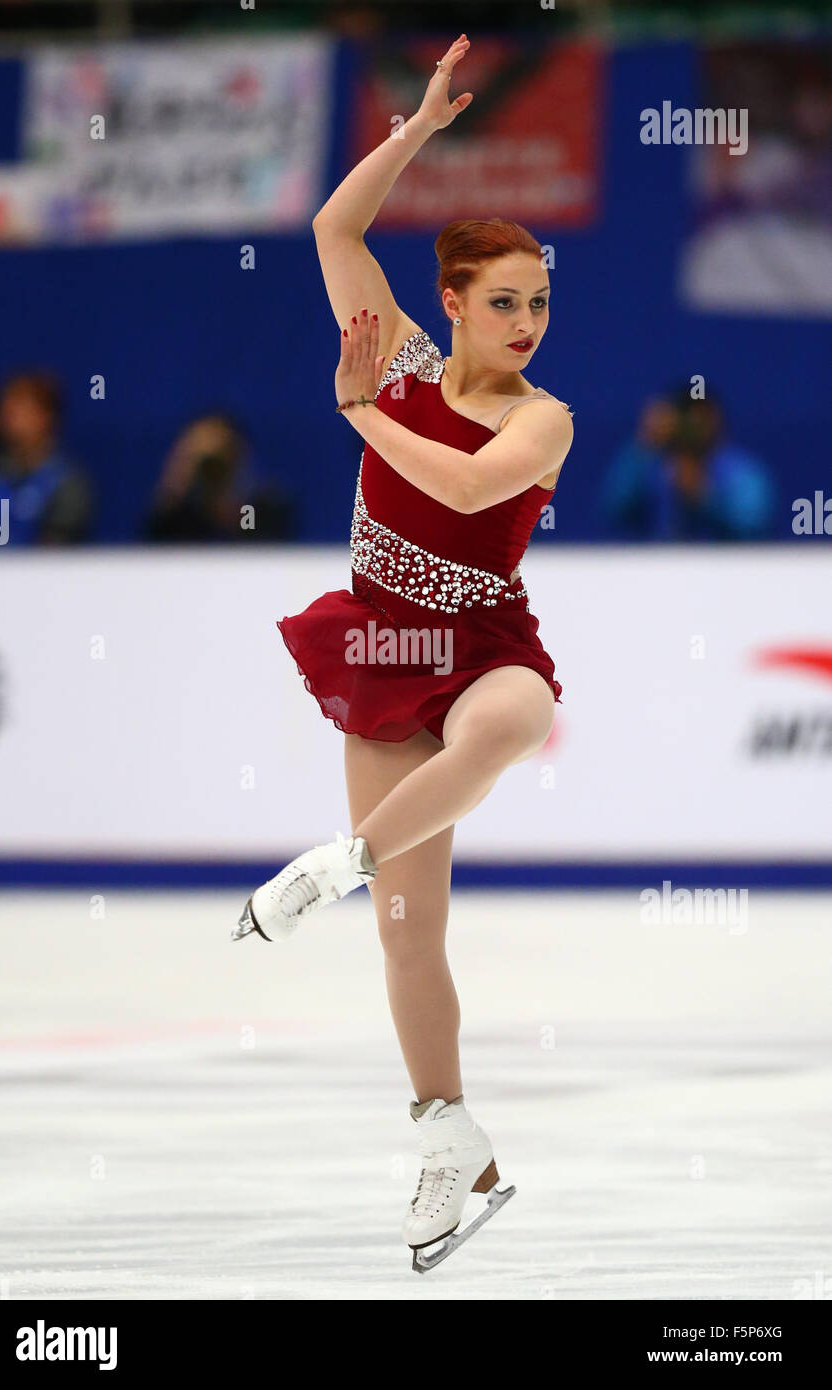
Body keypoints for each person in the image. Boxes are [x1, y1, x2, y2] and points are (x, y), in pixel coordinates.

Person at [231, 34, 574, 1271]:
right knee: (406, 928)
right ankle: (452, 1144)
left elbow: (471, 486)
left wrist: (361, 411)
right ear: (451, 303)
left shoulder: (541, 420)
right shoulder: (407, 363)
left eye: (538, 302)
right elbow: (332, 230)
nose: (525, 322)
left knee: (509, 721)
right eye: (502, 300)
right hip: (384, 638)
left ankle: (330, 862)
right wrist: (422, 127)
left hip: (481, 641)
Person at [601, 388, 775, 540]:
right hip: (661, 568)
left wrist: (702, 494)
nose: (693, 430)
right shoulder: (653, 465)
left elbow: (754, 524)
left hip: (729, 570)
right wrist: (643, 444)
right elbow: (613, 508)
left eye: (701, 421)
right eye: (687, 421)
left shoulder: (742, 471)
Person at [0, 371, 92, 546]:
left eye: (23, 409)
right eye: (7, 409)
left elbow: (57, 553)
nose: (11, 417)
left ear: (47, 416)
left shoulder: (65, 485)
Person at [144, 413, 295, 543]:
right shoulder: (181, 515)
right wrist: (174, 485)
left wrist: (235, 503)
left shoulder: (257, 508)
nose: (213, 471)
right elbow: (157, 555)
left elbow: (261, 550)